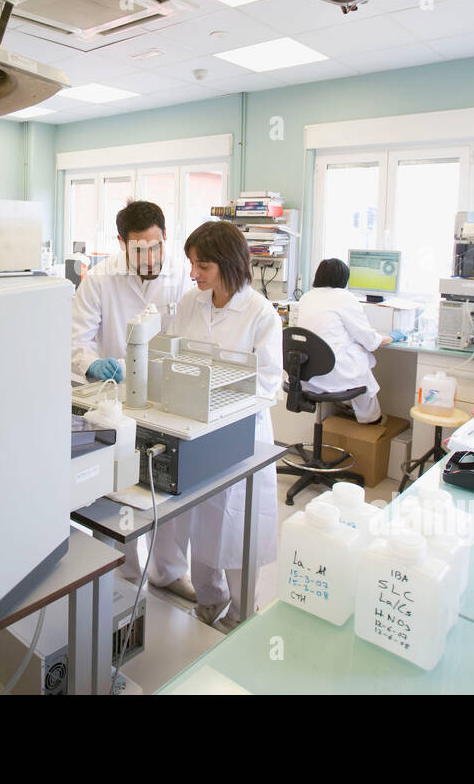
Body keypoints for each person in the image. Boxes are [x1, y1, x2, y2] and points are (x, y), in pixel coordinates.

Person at [69, 200, 193, 596]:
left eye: (156, 246)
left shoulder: (179, 278)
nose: (149, 256)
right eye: (138, 248)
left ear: (165, 238)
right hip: (114, 399)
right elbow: (75, 339)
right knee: (118, 487)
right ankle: (121, 572)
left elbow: (187, 340)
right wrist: (93, 365)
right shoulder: (100, 279)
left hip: (164, 400)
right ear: (121, 243)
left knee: (167, 491)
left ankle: (169, 571)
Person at [173, 220, 282, 630]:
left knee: (236, 524)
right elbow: (173, 353)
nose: (193, 274)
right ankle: (209, 599)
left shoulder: (260, 313)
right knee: (200, 519)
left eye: (202, 266)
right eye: (192, 264)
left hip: (240, 434)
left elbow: (269, 382)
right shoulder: (190, 303)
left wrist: (218, 392)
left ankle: (241, 613)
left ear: (227, 263)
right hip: (195, 428)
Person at [290, 258, 392, 424]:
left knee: (353, 354)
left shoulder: (306, 297)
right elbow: (370, 341)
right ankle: (371, 419)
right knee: (361, 359)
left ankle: (350, 408)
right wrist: (392, 337)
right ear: (344, 278)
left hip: (307, 375)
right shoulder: (345, 298)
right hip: (331, 374)